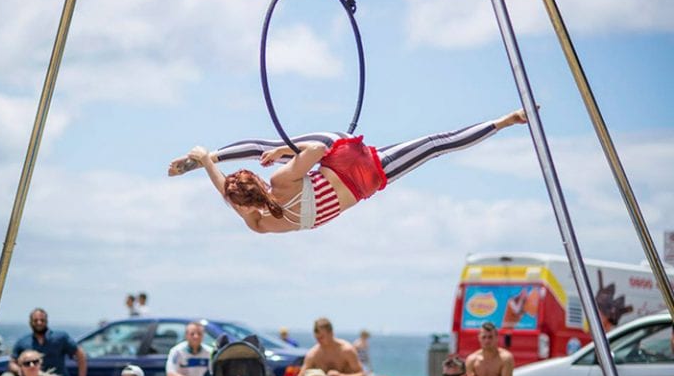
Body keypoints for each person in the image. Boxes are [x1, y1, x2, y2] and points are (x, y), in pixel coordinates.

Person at [168, 109, 528, 233]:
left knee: (434, 147)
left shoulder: (260, 224)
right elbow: (319, 149)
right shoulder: (279, 181)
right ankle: (501, 121)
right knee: (272, 146)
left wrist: (206, 165)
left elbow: (229, 196)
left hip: (366, 182)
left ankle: (503, 124)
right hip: (342, 157)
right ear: (259, 184)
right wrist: (283, 151)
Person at [0, 309, 87, 376]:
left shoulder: (60, 337)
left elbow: (80, 354)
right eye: (36, 320)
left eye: (42, 320)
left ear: (46, 321)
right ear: (30, 322)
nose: (39, 323)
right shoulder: (23, 342)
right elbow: (12, 362)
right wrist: (20, 371)